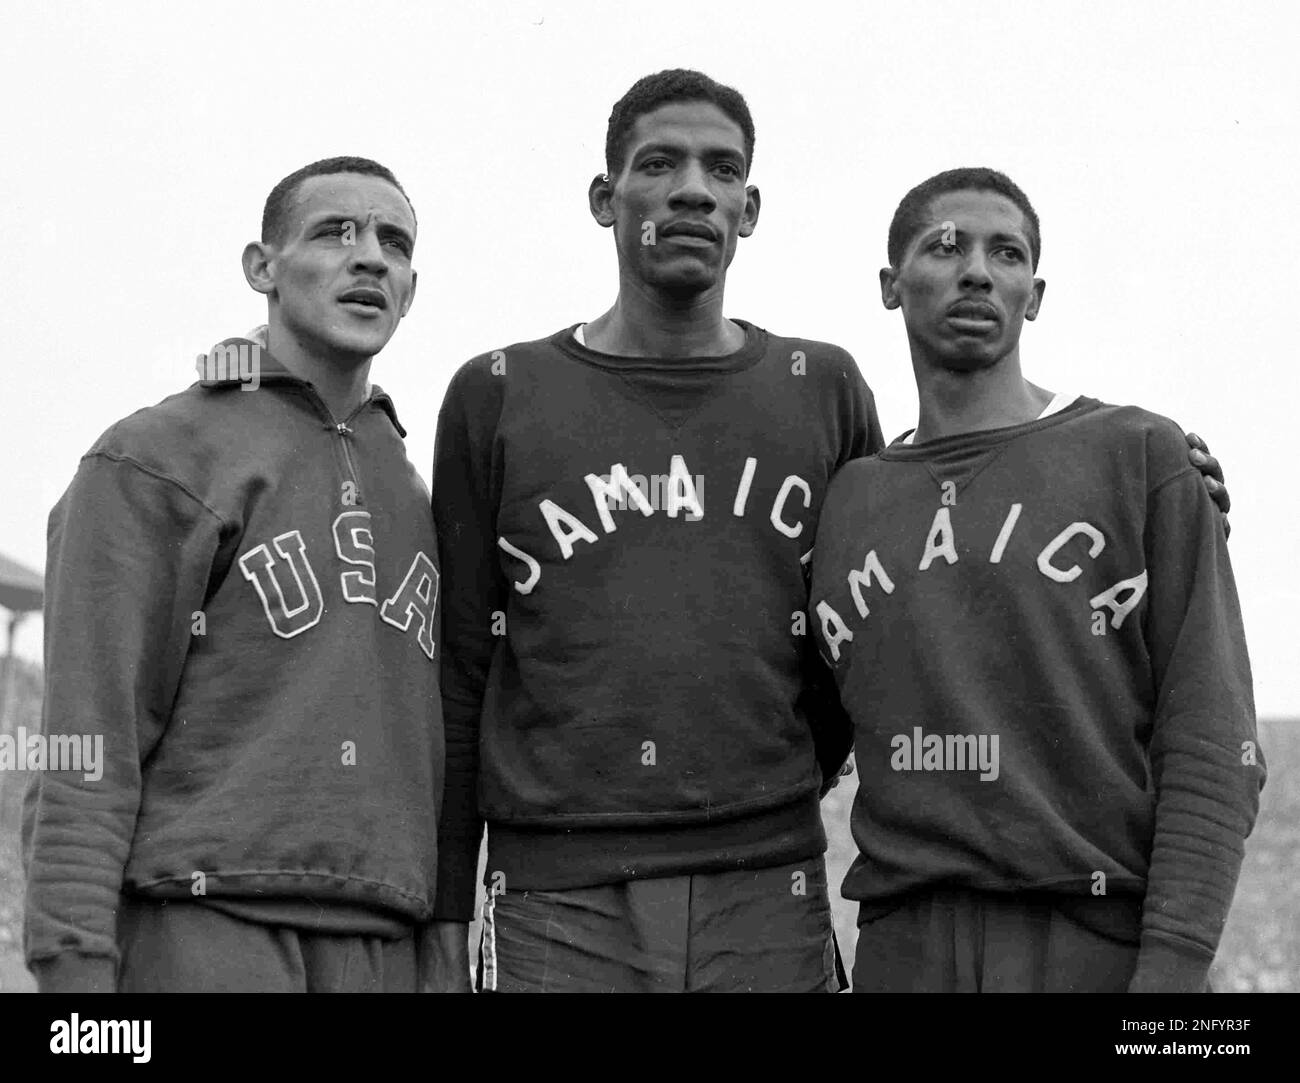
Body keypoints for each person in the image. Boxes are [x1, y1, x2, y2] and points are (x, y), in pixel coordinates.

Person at [427, 75, 1233, 994]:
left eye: (721, 168)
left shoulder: (824, 390)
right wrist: (446, 922)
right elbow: (459, 669)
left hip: (774, 877)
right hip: (562, 892)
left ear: (750, 206)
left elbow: (918, 556)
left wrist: (1165, 492)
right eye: (661, 163)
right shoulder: (497, 395)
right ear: (606, 199)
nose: (693, 188)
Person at [809, 167, 1264, 993]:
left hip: (1095, 935)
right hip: (904, 943)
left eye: (1006, 253)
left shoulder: (1140, 457)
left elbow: (1213, 740)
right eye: (945, 248)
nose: (977, 270)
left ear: (1035, 293)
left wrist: (1172, 974)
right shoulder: (849, 498)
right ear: (889, 285)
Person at [23, 156, 445, 993]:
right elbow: (88, 735)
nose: (370, 257)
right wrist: (72, 968)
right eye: (335, 233)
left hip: (385, 934)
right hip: (204, 922)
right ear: (262, 267)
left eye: (392, 242)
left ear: (410, 286)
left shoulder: (414, 489)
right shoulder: (152, 456)